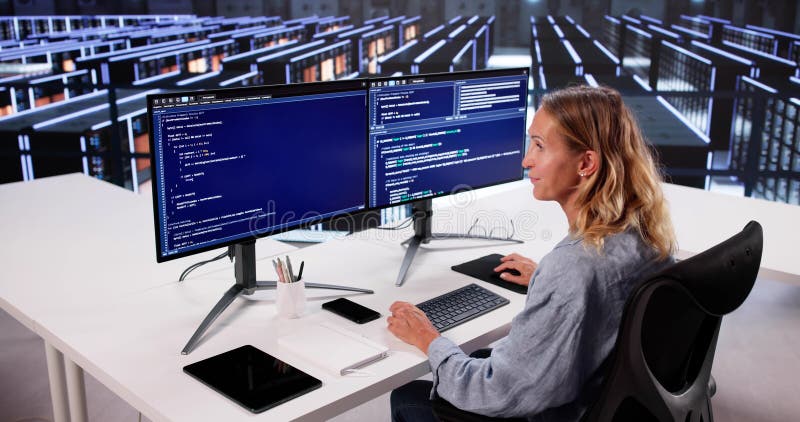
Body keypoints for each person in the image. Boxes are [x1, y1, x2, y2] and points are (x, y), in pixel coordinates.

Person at [387, 85, 677, 421]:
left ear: (586, 162)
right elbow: (605, 289)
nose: (526, 160)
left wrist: (428, 338)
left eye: (539, 146)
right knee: (479, 354)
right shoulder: (644, 234)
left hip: (562, 411)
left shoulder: (573, 267)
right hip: (616, 401)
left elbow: (496, 390)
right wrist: (550, 281)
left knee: (408, 396)